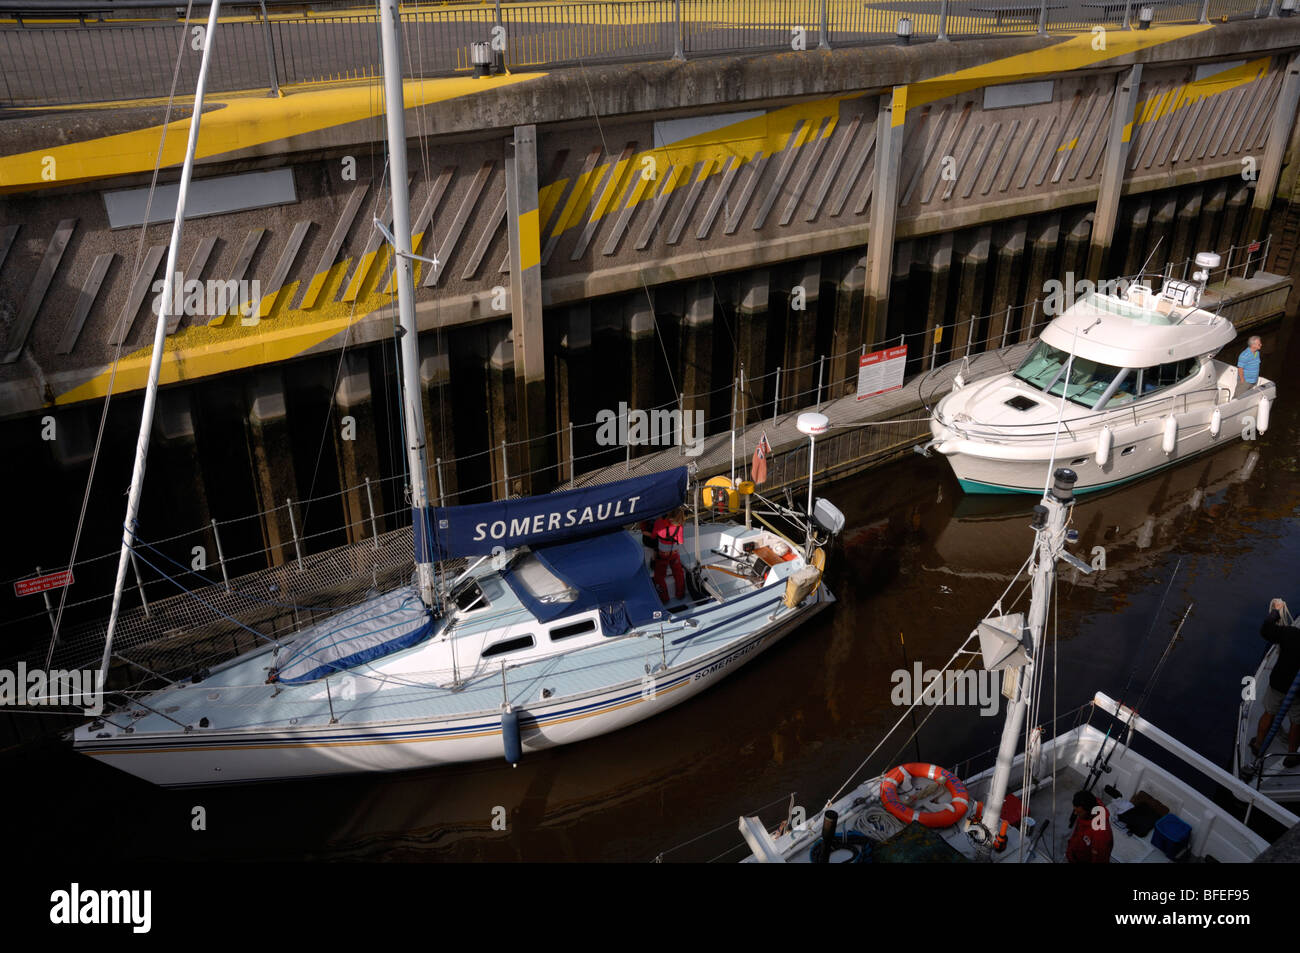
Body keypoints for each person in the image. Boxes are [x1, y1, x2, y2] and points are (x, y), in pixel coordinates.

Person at [1252, 598, 1300, 768]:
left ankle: (1258, 744)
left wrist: (1276, 611)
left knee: (1269, 712)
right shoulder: (1290, 634)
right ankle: (1292, 754)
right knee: (1297, 721)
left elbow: (1266, 629)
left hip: (1279, 683)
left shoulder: (1290, 634)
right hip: (1298, 691)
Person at [1066, 790, 1113, 863]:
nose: (1075, 814)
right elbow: (1076, 832)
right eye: (1074, 810)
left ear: (1090, 810)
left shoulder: (1101, 835)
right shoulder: (1085, 814)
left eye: (1078, 812)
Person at [652, 508, 686, 603]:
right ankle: (680, 594)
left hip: (662, 554)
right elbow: (680, 542)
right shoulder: (679, 527)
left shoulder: (659, 523)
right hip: (674, 554)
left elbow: (653, 536)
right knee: (678, 573)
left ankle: (664, 598)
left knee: (659, 576)